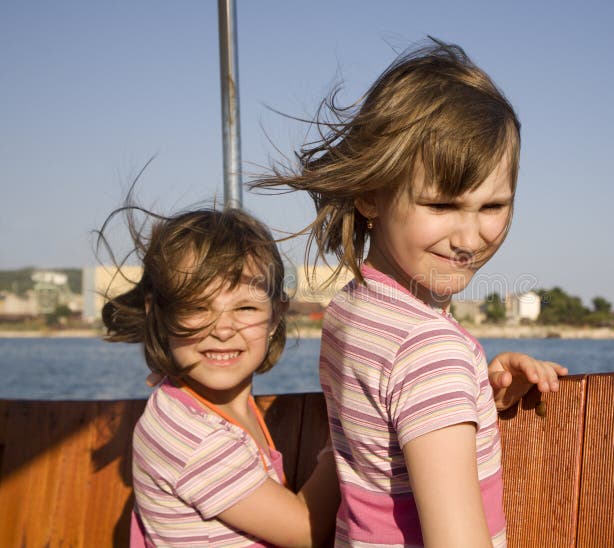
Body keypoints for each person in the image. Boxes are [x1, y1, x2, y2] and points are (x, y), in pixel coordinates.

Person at [252, 38, 568, 547]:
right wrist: (449, 376)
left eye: (493, 207)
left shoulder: (351, 310)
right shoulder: (430, 351)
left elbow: (386, 435)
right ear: (370, 195)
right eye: (442, 206)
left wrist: (475, 392)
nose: (470, 238)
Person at [101, 207, 339, 547]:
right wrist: (347, 440)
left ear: (275, 317)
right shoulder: (187, 433)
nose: (223, 329)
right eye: (198, 307)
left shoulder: (215, 413)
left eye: (245, 308)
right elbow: (303, 530)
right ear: (160, 313)